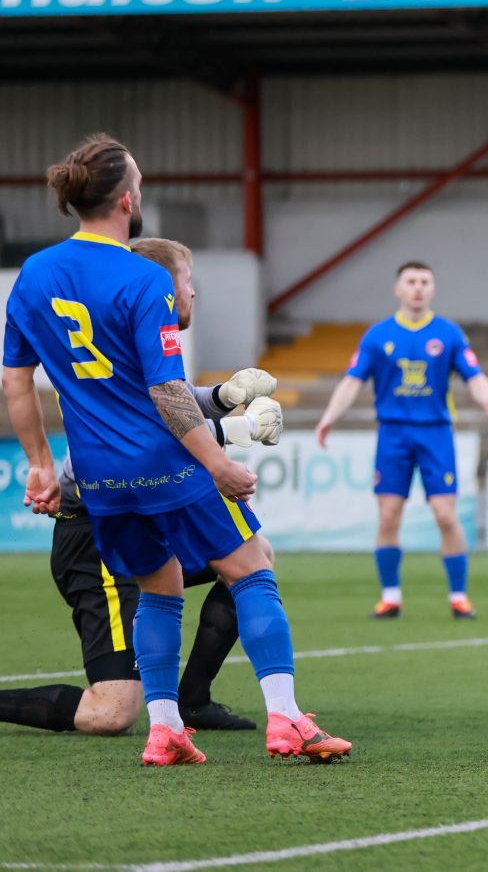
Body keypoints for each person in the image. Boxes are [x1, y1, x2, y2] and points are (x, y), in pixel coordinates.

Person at [2, 135, 350, 765]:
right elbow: (164, 387)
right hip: (163, 465)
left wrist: (40, 467)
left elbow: (14, 381)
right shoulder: (144, 276)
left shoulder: (35, 273)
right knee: (251, 567)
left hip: (100, 479)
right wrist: (217, 462)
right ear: (129, 200)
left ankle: (165, 729)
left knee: (159, 587)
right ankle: (289, 721)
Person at [0, 237, 270, 738]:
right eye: (188, 280)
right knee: (112, 713)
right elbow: (137, 443)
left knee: (253, 559)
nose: (193, 292)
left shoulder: (125, 333)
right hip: (96, 541)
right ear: (162, 286)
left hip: (133, 518)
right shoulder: (136, 315)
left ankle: (192, 700)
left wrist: (225, 397)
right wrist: (234, 431)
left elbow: (168, 402)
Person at [313, 262, 488, 619]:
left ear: (433, 289)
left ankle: (459, 596)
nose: (418, 288)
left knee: (446, 515)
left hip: (436, 432)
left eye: (424, 282)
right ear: (397, 289)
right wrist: (328, 418)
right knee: (388, 516)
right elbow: (352, 381)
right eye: (411, 282)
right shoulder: (377, 335)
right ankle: (390, 597)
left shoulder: (448, 334)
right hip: (393, 433)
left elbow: (474, 375)